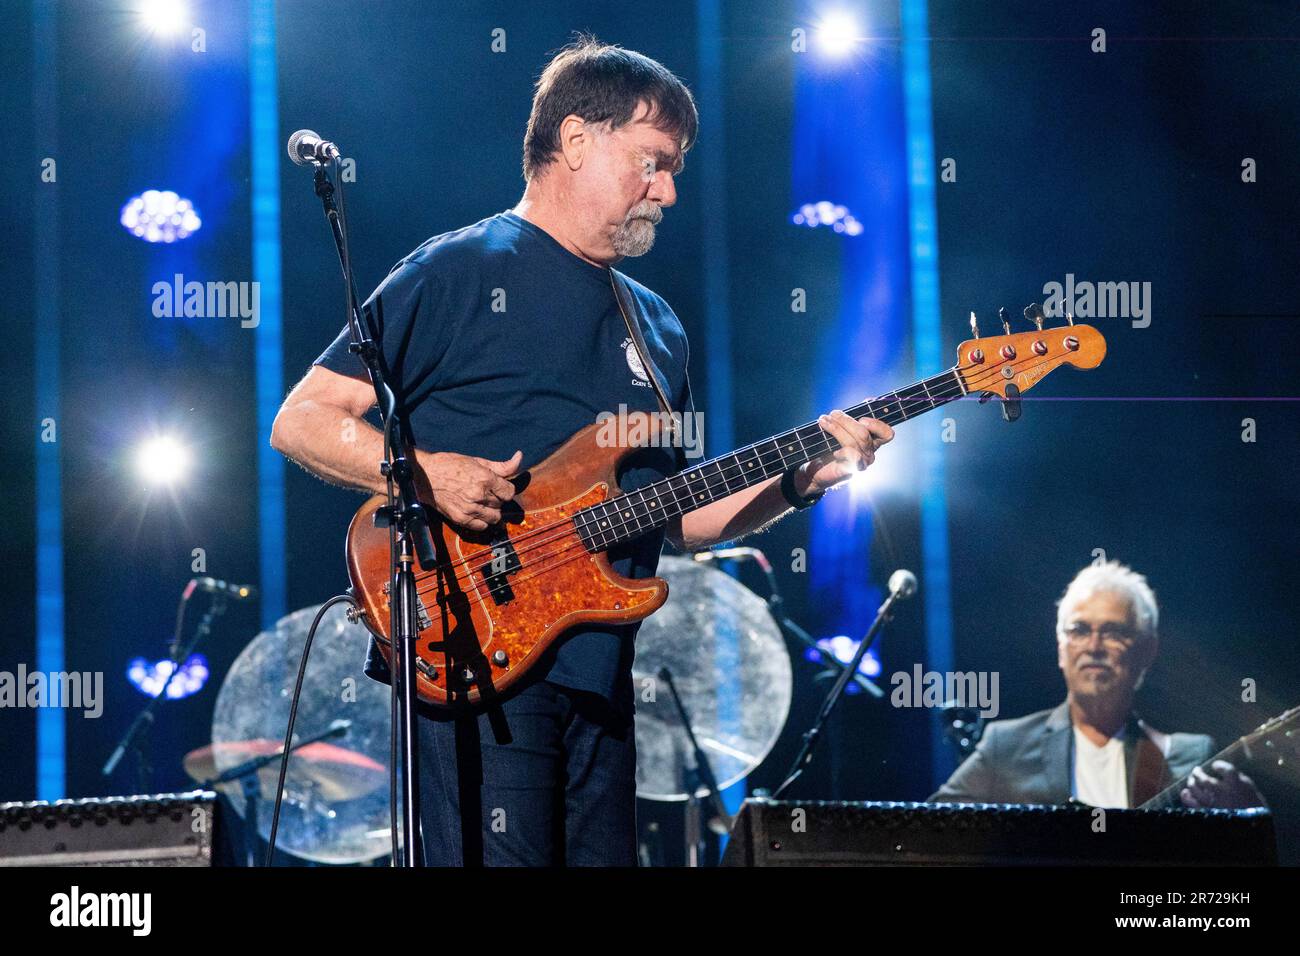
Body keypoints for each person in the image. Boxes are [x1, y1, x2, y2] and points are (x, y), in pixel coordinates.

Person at [270, 37, 894, 865]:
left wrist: (802, 478)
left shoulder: (658, 324)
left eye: (674, 170)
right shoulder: (456, 269)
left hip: (602, 678)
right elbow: (304, 417)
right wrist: (428, 472)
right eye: (653, 162)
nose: (668, 190)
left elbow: (683, 519)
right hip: (478, 661)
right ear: (575, 142)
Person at [930, 561, 1265, 810]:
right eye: (1079, 630)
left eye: (1113, 631)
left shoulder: (1189, 757)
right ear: (1061, 648)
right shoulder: (1006, 746)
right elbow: (924, 835)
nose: (1094, 646)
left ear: (1148, 649)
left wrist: (1251, 818)